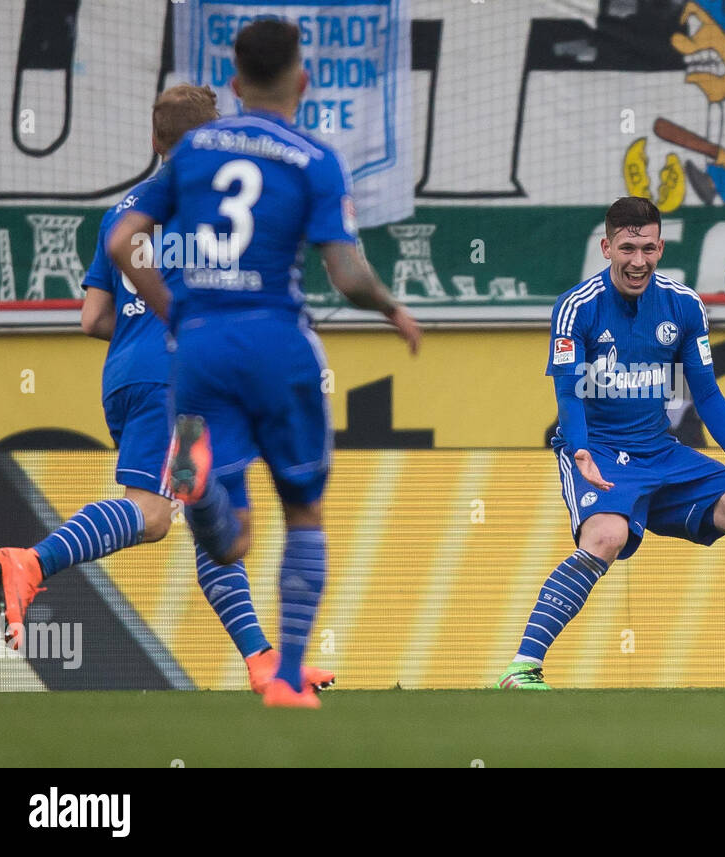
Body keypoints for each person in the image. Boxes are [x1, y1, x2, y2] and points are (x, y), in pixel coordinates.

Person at [106, 19, 421, 708]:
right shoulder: (313, 157)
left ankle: (201, 487)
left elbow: (126, 236)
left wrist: (171, 306)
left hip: (196, 350)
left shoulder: (191, 155)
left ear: (235, 82)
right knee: (302, 510)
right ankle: (286, 678)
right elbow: (346, 274)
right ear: (302, 82)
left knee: (226, 533)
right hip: (277, 343)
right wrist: (392, 309)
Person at [0, 84, 333, 693]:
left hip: (125, 376)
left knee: (210, 515)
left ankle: (261, 660)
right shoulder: (217, 204)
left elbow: (92, 318)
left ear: (154, 140)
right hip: (182, 377)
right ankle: (34, 560)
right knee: (152, 514)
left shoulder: (124, 211)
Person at [496, 196, 725, 691]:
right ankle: (521, 667)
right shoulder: (576, 308)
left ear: (661, 247)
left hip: (662, 453)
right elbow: (569, 391)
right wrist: (578, 448)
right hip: (600, 453)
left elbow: (705, 392)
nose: (639, 261)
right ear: (607, 247)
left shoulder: (683, 305)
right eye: (628, 248)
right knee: (606, 538)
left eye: (650, 248)